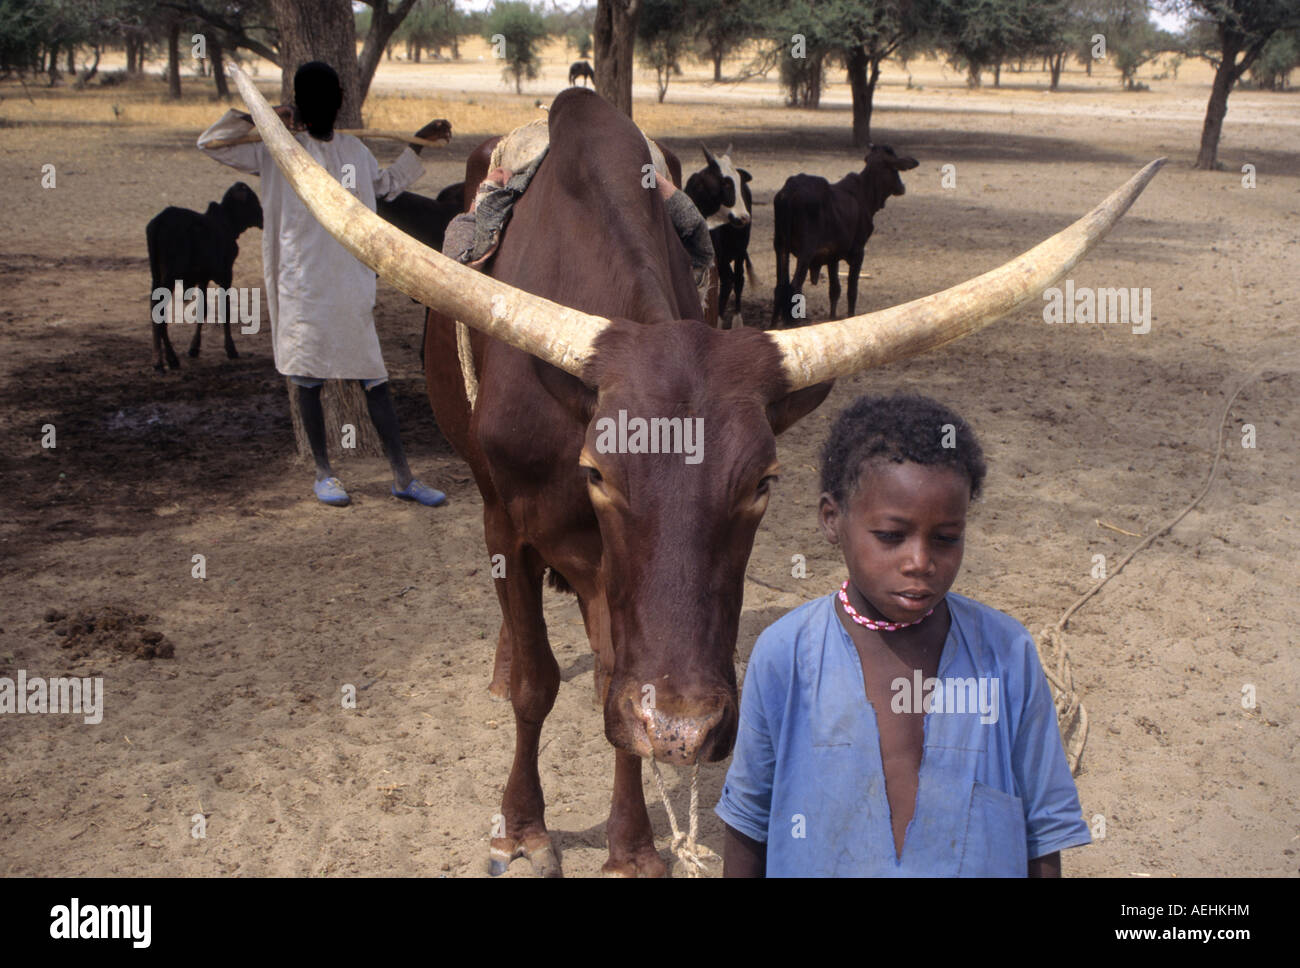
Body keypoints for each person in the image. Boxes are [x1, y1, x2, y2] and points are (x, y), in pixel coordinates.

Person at [715, 393, 1091, 877]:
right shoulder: (785, 654)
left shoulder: (1005, 653)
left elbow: (1042, 829)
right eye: (892, 536)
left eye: (946, 538)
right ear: (832, 520)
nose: (920, 561)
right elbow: (749, 821)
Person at [198, 60, 448, 508]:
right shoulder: (276, 148)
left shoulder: (355, 151)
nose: (328, 104)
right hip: (303, 285)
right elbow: (211, 142)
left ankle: (403, 477)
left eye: (331, 96)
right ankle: (323, 473)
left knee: (375, 379)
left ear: (339, 102)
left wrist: (419, 146)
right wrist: (264, 115)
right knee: (307, 378)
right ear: (300, 103)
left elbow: (386, 186)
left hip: (350, 284)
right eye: (319, 97)